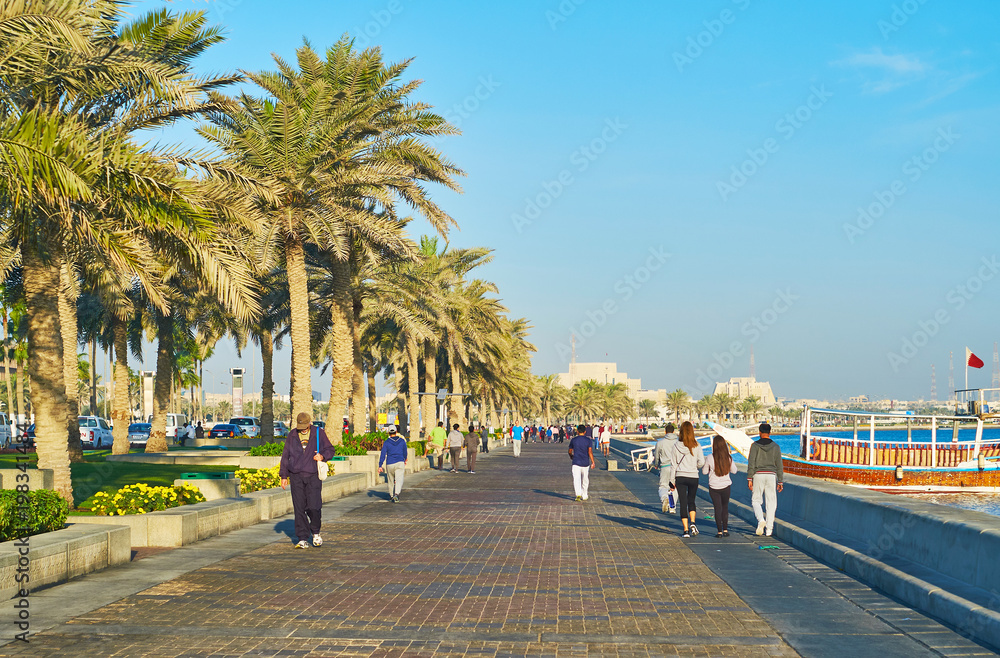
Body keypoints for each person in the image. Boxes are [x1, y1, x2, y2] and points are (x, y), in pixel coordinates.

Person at [279, 412, 335, 548]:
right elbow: (285, 456)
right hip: (296, 475)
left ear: (310, 423)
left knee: (314, 506)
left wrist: (322, 456)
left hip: (313, 475)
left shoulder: (318, 433)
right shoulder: (292, 435)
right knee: (299, 508)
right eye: (300, 426)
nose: (303, 429)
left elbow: (330, 449)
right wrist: (283, 476)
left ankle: (315, 532)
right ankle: (302, 538)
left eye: (305, 426)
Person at [669, 421, 706, 538]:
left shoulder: (676, 446)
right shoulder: (697, 445)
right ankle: (693, 523)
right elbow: (702, 462)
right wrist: (695, 467)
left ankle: (685, 530)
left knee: (683, 503)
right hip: (693, 476)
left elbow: (673, 465)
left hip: (680, 477)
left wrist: (671, 481)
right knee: (692, 501)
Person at [748, 422, 784, 536]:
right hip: (771, 475)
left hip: (758, 474)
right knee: (771, 502)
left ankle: (760, 520)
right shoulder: (776, 447)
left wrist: (749, 478)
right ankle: (769, 529)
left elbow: (751, 463)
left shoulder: (754, 445)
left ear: (759, 432)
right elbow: (779, 465)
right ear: (770, 432)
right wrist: (780, 480)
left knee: (756, 500)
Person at [703, 435, 738, 537]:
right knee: (725, 507)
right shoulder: (728, 458)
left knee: (717, 508)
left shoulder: (710, 457)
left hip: (714, 486)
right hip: (726, 486)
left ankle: (719, 531)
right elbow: (734, 471)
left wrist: (710, 469)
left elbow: (705, 472)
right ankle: (725, 530)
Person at [378, 426, 408, 502]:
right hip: (400, 462)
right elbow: (405, 452)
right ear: (396, 431)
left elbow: (383, 454)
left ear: (389, 432)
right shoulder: (402, 441)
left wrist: (380, 465)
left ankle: (391, 495)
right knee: (399, 479)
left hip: (390, 463)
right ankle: (396, 494)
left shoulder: (387, 442)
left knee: (390, 480)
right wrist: (405, 458)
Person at [653, 423, 678, 514]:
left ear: (665, 432)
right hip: (675, 467)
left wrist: (656, 464)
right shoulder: (678, 442)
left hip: (664, 467)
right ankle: (672, 507)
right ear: (674, 432)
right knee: (674, 487)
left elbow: (656, 455)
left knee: (663, 486)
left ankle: (664, 498)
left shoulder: (660, 442)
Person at [568, 424, 596, 501]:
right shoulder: (588, 440)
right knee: (585, 479)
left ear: (577, 431)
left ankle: (578, 494)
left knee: (576, 479)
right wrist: (593, 462)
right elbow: (590, 451)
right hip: (585, 462)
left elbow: (570, 450)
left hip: (576, 462)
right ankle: (585, 494)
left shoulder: (574, 440)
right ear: (585, 431)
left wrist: (571, 456)